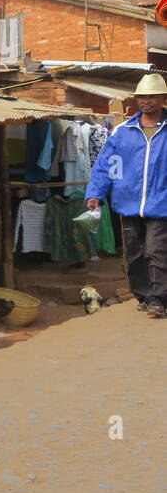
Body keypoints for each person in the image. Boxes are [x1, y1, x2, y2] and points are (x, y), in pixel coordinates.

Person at [86, 72, 167, 317]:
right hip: (127, 201)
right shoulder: (122, 131)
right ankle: (143, 295)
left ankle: (158, 298)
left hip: (161, 203)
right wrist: (96, 193)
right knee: (133, 254)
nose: (146, 101)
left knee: (156, 250)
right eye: (142, 96)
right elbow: (106, 165)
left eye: (152, 96)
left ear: (163, 98)